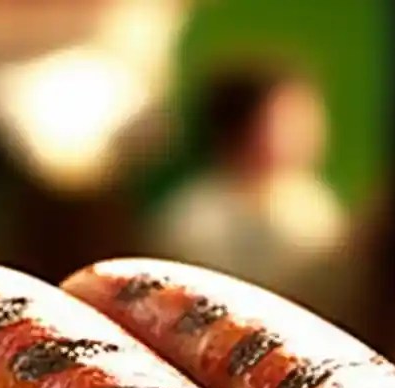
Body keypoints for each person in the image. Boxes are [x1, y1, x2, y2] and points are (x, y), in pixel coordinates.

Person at [152, 67, 361, 329]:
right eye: (288, 121)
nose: (310, 131)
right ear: (240, 128)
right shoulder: (197, 219)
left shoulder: (311, 202)